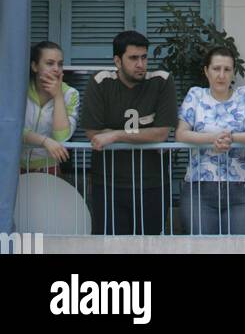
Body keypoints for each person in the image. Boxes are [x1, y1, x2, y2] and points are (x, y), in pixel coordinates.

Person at [80, 30, 177, 235]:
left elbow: (160, 133)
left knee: (149, 246)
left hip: (152, 182)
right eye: (133, 58)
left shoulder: (161, 81)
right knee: (108, 246)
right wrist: (143, 135)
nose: (141, 64)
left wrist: (115, 135)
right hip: (107, 182)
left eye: (144, 57)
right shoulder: (100, 82)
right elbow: (93, 133)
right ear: (117, 60)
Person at [176, 45, 245, 235]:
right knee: (202, 248)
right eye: (216, 68)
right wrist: (214, 139)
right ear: (206, 71)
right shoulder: (196, 95)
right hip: (199, 186)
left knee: (238, 248)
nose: (221, 75)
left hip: (240, 187)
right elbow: (181, 134)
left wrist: (231, 138)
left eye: (227, 69)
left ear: (233, 72)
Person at [21, 41, 79, 172]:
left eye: (60, 64)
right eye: (49, 63)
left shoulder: (71, 94)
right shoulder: (19, 90)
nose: (56, 69)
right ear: (34, 66)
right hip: (13, 165)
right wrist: (44, 141)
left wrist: (58, 96)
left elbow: (62, 137)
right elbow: (11, 127)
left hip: (48, 167)